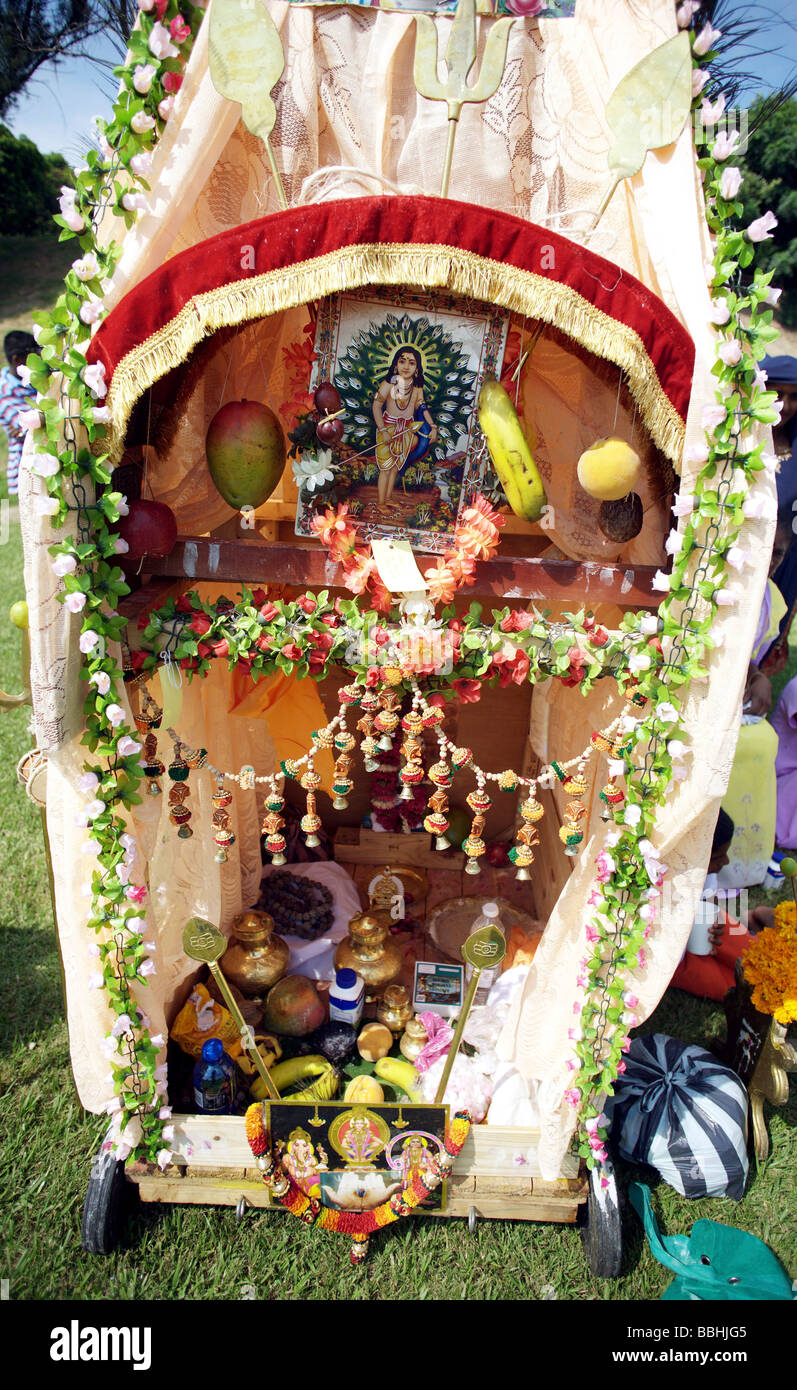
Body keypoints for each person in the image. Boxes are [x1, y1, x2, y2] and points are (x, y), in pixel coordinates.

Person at [715, 511, 790, 890]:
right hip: (705, 699)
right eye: (765, 550)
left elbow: (752, 663)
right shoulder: (719, 581)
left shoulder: (772, 597)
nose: (770, 559)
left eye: (778, 554)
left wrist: (757, 676)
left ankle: (744, 862)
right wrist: (753, 675)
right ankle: (711, 858)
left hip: (735, 702)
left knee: (764, 741)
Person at [671, 810, 773, 1002]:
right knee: (744, 988)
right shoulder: (660, 888)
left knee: (759, 956)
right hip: (677, 959)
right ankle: (747, 921)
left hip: (704, 931)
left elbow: (709, 902)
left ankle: (749, 919)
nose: (725, 861)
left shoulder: (705, 873)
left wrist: (714, 925)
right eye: (718, 856)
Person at [759, 355, 797, 671]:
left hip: (783, 564)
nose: (785, 404)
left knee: (763, 635)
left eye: (794, 396)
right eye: (777, 393)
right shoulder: (741, 438)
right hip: (738, 556)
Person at [373, 347, 438, 509]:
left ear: (417, 369)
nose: (406, 366)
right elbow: (376, 406)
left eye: (411, 363)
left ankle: (388, 498)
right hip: (387, 430)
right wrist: (382, 430)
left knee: (395, 467)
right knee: (385, 469)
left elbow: (422, 408)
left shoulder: (416, 389)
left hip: (406, 432)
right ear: (395, 364)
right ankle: (381, 503)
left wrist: (433, 427)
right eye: (402, 361)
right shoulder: (387, 384)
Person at [0, 331, 37, 498]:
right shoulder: (5, 391)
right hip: (26, 471)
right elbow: (32, 425)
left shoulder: (30, 380)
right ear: (16, 359)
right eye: (31, 356)